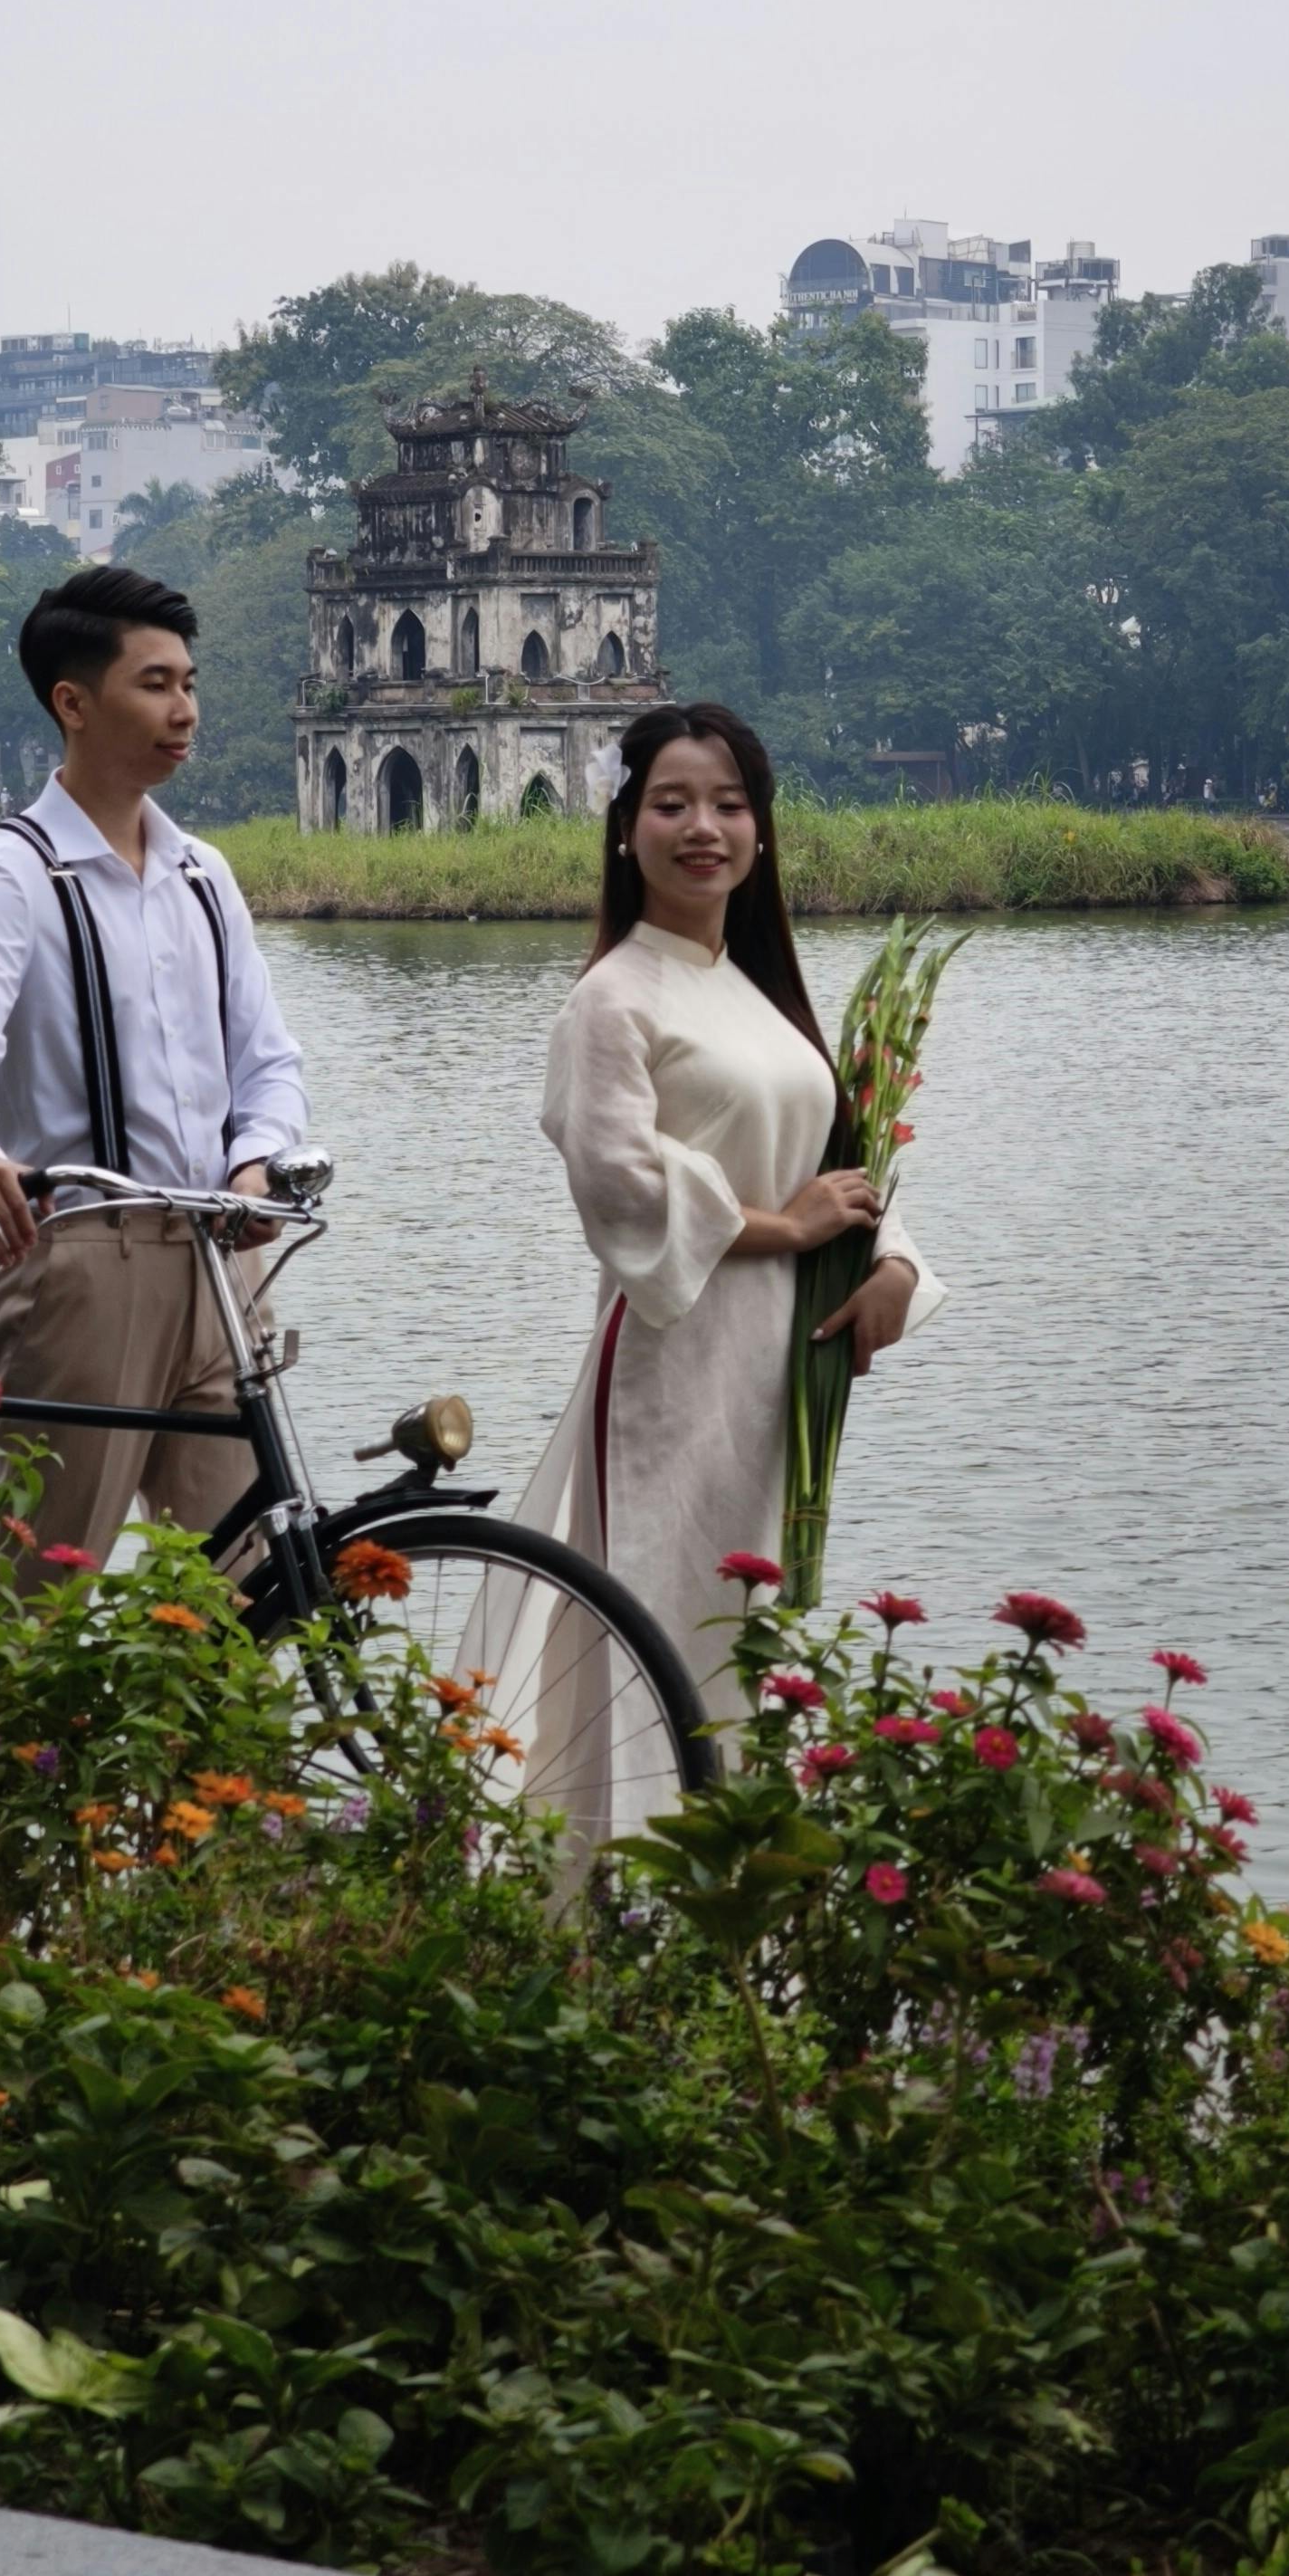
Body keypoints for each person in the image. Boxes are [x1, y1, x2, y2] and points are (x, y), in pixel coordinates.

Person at [517, 702, 942, 1776]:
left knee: (754, 1628)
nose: (703, 827)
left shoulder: (755, 989)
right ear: (625, 827)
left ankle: (740, 1905)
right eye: (672, 804)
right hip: (673, 1354)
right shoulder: (610, 1002)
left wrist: (892, 1260)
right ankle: (633, 1896)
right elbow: (616, 1184)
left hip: (778, 1364)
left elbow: (833, 1155)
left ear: (761, 831)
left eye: (729, 804)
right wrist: (780, 1226)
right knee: (665, 1622)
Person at [0, 564, 308, 1568]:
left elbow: (268, 1062)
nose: (185, 711)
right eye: (156, 685)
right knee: (39, 1592)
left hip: (222, 1262)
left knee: (244, 1591)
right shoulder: (12, 873)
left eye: (188, 683)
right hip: (85, 1264)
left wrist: (259, 1160)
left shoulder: (203, 874)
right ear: (73, 703)